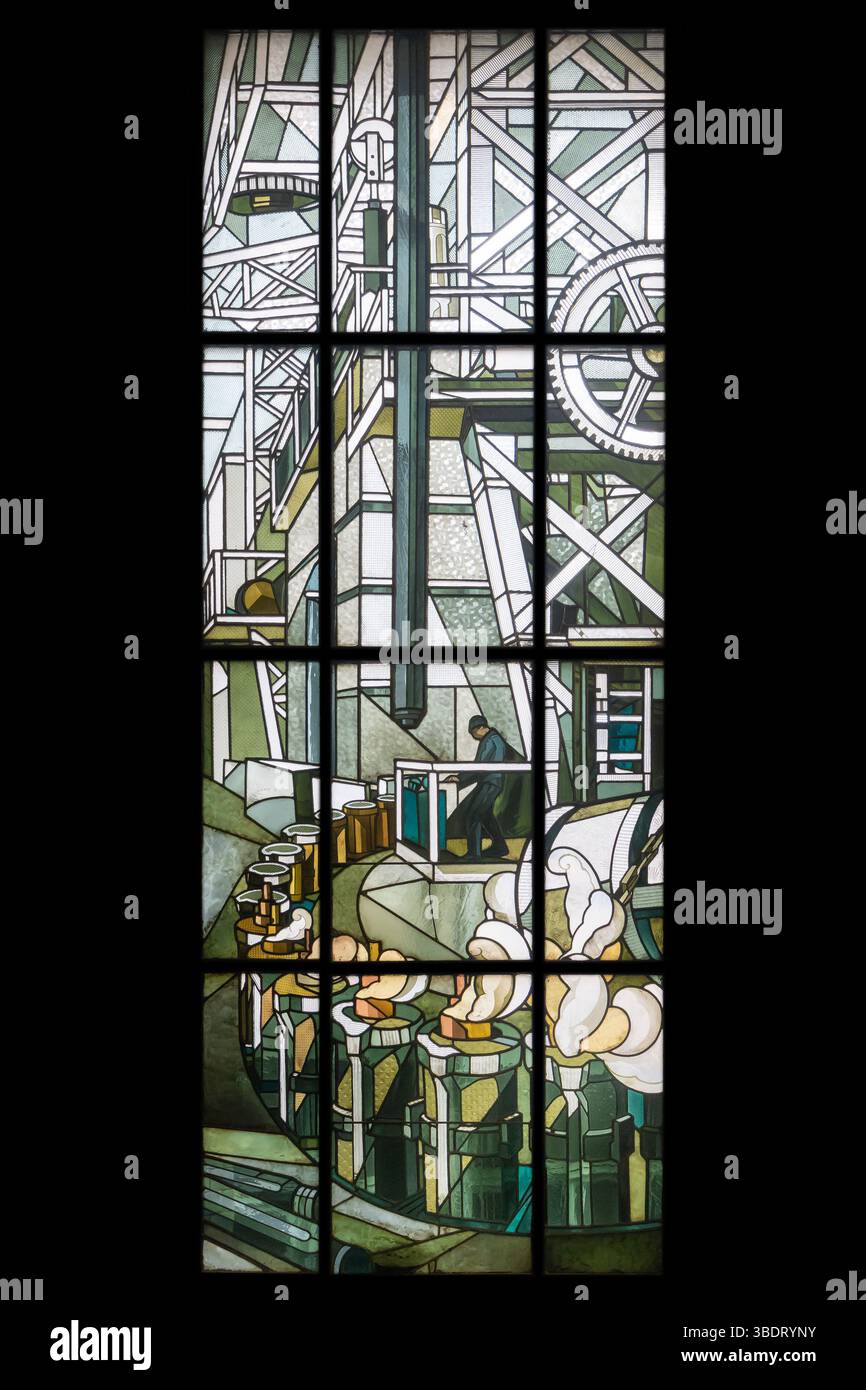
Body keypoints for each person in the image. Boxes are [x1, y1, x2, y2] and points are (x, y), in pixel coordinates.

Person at [444, 715, 510, 860]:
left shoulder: (492, 740)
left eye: (473, 733)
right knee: (486, 816)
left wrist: (460, 779)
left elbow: (480, 766)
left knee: (473, 816)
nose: (473, 736)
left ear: (480, 728)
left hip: (490, 782)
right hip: (490, 781)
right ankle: (500, 847)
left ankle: (474, 854)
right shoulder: (492, 739)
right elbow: (480, 766)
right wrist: (460, 779)